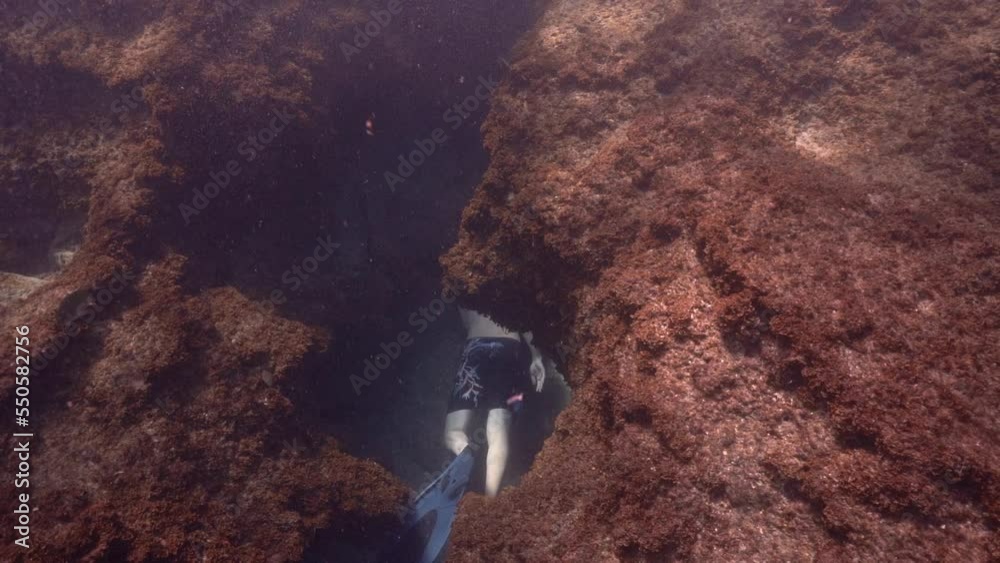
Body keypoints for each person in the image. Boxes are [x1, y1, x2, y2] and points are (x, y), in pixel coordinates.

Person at [442, 307, 546, 497]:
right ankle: (489, 500)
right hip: (509, 348)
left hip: (476, 346)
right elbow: (523, 319)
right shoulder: (509, 281)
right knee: (498, 428)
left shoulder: (462, 285)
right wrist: (536, 356)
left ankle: (464, 453)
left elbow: (467, 323)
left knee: (453, 433)